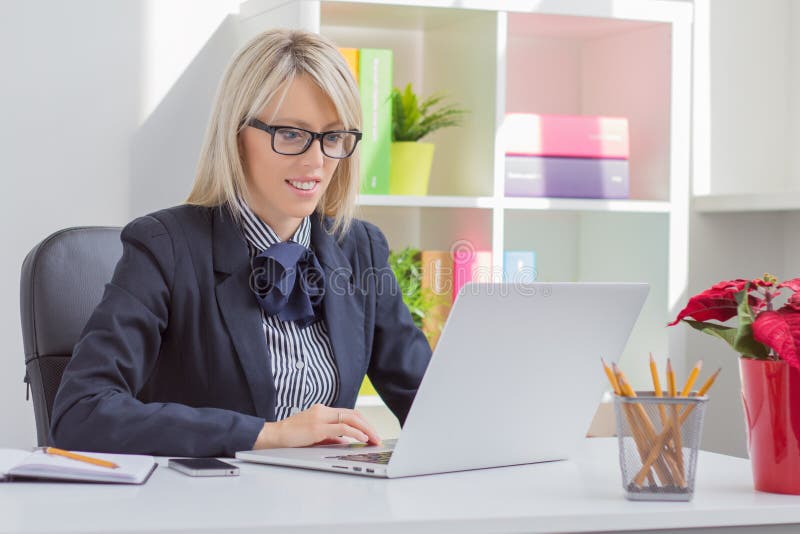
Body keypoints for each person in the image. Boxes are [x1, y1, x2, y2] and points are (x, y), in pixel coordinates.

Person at [49, 29, 432, 457]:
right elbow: (80, 414)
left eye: (334, 137)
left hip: (329, 510)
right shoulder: (164, 247)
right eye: (290, 134)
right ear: (236, 135)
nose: (317, 161)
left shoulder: (359, 247)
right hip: (208, 509)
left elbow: (431, 403)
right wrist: (266, 435)